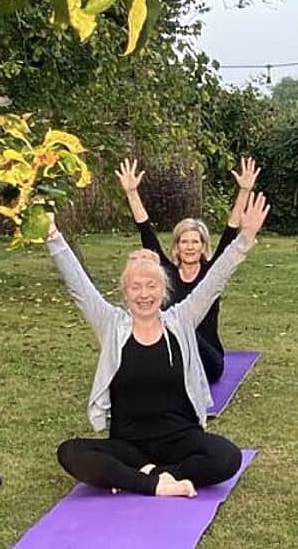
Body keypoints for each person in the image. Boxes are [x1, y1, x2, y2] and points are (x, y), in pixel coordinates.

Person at [47, 191, 270, 498]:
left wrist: (244, 239)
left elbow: (215, 279)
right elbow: (79, 287)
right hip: (128, 445)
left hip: (180, 439)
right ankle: (156, 483)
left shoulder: (180, 320)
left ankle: (153, 476)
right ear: (126, 293)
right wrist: (53, 237)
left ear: (163, 290)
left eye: (151, 286)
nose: (144, 294)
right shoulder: (112, 325)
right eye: (136, 287)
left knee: (228, 457)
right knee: (70, 452)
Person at [115, 157, 260, 383]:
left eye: (195, 242)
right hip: (175, 359)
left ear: (203, 247)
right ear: (177, 247)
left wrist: (244, 190)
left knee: (177, 324)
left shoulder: (213, 272)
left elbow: (231, 232)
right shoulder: (167, 275)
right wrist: (132, 192)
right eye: (184, 242)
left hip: (208, 362)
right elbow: (146, 232)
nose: (190, 247)